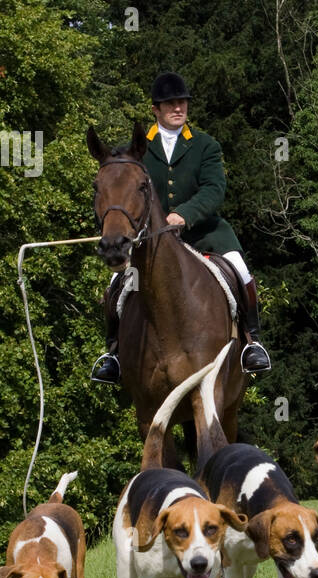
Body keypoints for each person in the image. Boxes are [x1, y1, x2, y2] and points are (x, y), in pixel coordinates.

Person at [91, 72, 271, 382]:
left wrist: (184, 214)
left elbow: (214, 189)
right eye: (170, 103)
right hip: (151, 240)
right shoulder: (135, 151)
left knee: (241, 273)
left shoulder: (205, 145)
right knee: (116, 286)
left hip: (205, 234)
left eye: (182, 102)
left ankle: (252, 344)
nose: (178, 108)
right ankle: (114, 354)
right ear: (155, 110)